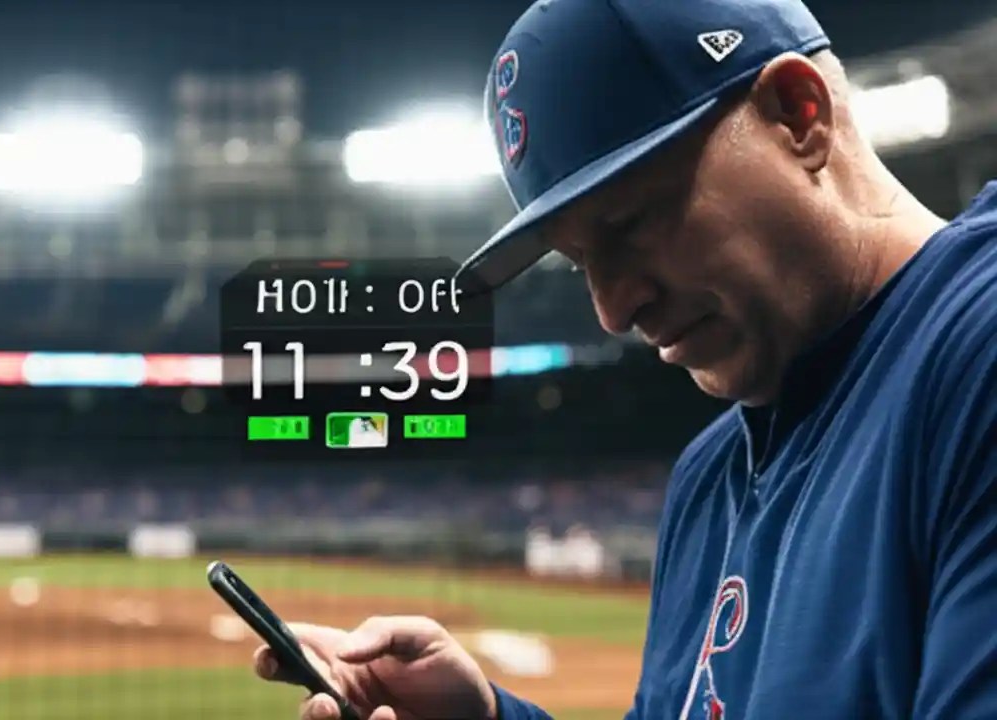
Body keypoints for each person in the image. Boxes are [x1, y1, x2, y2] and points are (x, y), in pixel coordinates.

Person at [251, 0, 996, 717]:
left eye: (631, 225)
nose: (613, 309)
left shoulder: (974, 349)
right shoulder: (708, 482)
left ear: (799, 114)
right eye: (580, 264)